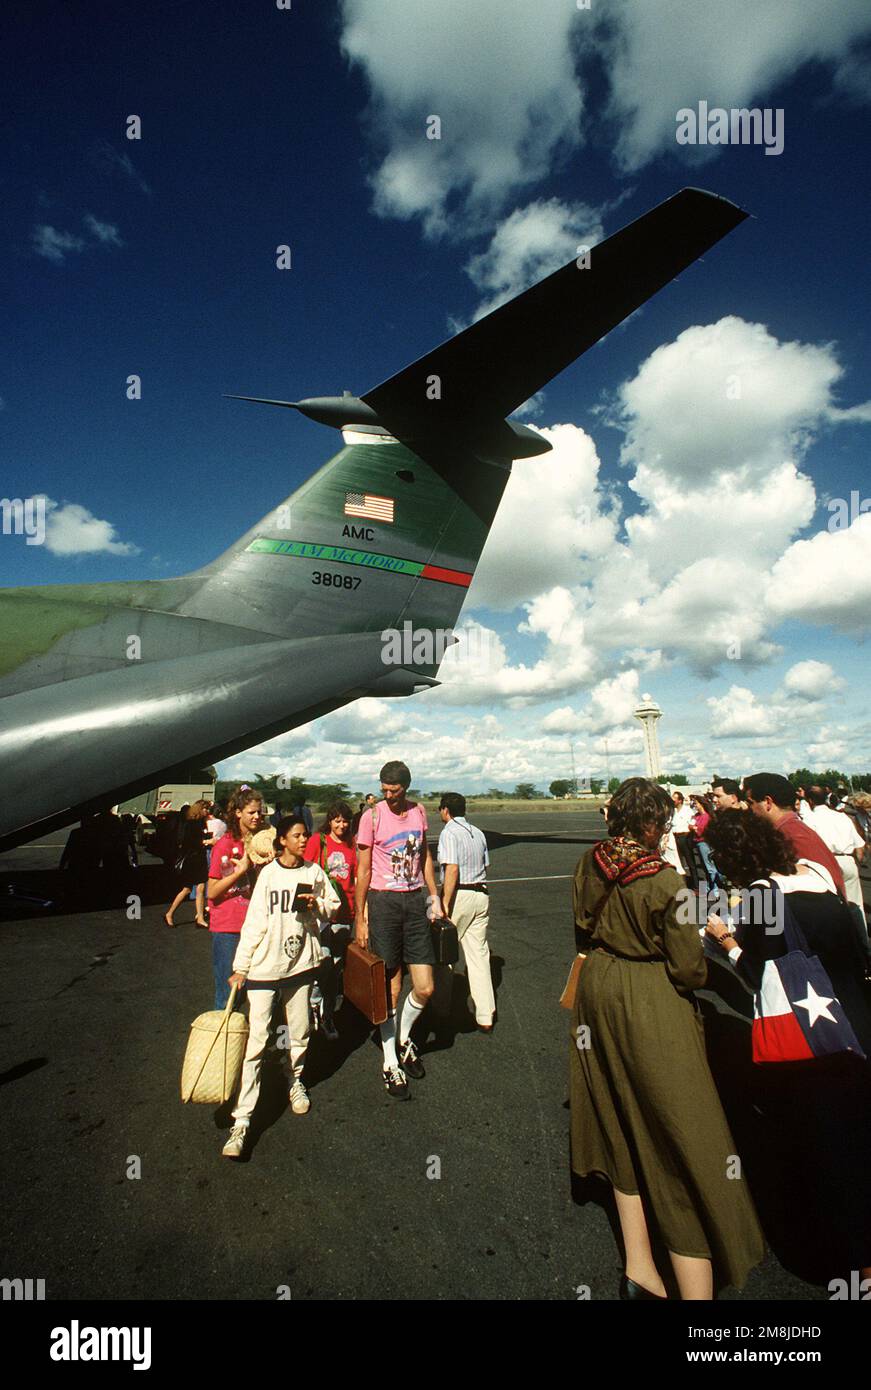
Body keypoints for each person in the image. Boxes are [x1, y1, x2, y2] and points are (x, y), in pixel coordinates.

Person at [569, 777, 764, 1300]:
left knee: (619, 1120)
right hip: (649, 998)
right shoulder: (668, 883)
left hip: (598, 988)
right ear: (655, 823)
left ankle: (639, 1268)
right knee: (686, 1140)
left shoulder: (593, 862)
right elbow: (690, 970)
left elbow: (582, 924)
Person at [703, 810, 871, 1283]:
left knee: (834, 1151)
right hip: (858, 1023)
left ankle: (861, 1263)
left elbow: (762, 975)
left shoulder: (761, 898)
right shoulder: (817, 879)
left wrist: (727, 943)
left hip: (815, 1041)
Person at [221, 816, 342, 1159]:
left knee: (299, 1031)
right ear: (283, 842)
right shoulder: (268, 876)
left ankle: (295, 1080)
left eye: (305, 835)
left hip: (301, 966)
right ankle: (242, 1121)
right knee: (258, 1043)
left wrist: (318, 906)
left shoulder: (314, 873)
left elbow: (333, 908)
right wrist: (241, 967)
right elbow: (254, 922)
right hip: (264, 970)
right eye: (297, 836)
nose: (304, 841)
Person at [355, 760, 443, 1099]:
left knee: (425, 987)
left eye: (394, 790)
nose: (388, 796)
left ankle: (403, 1038)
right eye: (384, 789)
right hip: (384, 903)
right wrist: (360, 917)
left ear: (406, 786)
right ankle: (390, 1062)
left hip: (414, 901)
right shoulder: (371, 816)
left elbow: (424, 858)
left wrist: (434, 896)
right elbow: (362, 870)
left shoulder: (419, 812)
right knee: (389, 989)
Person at [437, 792, 495, 1030]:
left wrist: (444, 903)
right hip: (481, 894)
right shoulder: (478, 832)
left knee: (443, 954)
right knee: (479, 956)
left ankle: (440, 1009)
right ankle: (485, 1015)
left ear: (445, 810)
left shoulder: (449, 832)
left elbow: (451, 869)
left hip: (460, 895)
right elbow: (485, 865)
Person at [742, 773, 846, 897]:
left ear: (767, 802)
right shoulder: (792, 829)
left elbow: (826, 887)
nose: (747, 809)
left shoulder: (790, 835)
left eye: (750, 803)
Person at [304, 799, 358, 1038]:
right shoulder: (319, 841)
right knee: (322, 961)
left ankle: (327, 1016)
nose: (342, 825)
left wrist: (360, 911)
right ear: (330, 820)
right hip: (321, 913)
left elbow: (356, 878)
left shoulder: (352, 844)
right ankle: (313, 1003)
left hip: (345, 913)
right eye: (337, 820)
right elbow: (305, 872)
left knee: (336, 965)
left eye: (346, 820)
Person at [207, 788, 264, 1009]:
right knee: (227, 991)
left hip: (254, 924)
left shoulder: (260, 844)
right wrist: (240, 872)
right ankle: (224, 1039)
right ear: (238, 812)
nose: (257, 817)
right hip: (228, 927)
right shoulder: (225, 844)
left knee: (254, 990)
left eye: (259, 812)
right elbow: (212, 891)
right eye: (251, 812)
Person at [805, 784, 866, 923]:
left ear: (810, 801)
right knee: (855, 905)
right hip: (848, 860)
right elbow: (859, 846)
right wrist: (856, 861)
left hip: (826, 862)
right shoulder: (842, 817)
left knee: (833, 907)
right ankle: (861, 938)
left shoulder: (809, 820)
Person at [163, 800, 210, 928]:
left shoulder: (197, 823)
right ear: (199, 810)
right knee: (187, 889)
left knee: (200, 888)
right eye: (205, 809)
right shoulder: (192, 824)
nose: (207, 811)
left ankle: (200, 917)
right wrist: (206, 842)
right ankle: (169, 913)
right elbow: (190, 843)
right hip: (192, 859)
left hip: (198, 858)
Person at [690, 793, 723, 893]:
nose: (695, 805)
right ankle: (710, 886)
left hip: (704, 843)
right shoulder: (696, 816)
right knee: (704, 866)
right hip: (697, 843)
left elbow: (701, 832)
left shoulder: (706, 817)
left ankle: (716, 888)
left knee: (710, 867)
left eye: (696, 803)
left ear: (702, 804)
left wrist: (694, 828)